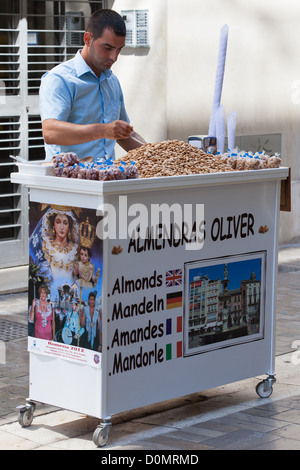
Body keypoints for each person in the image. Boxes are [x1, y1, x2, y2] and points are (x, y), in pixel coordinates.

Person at [39, 9, 146, 161]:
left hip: (106, 179)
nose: (113, 57)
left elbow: (122, 134)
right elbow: (50, 133)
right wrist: (103, 130)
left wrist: (158, 155)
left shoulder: (112, 81)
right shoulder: (59, 79)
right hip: (69, 181)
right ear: (88, 39)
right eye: (107, 48)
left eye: (119, 50)